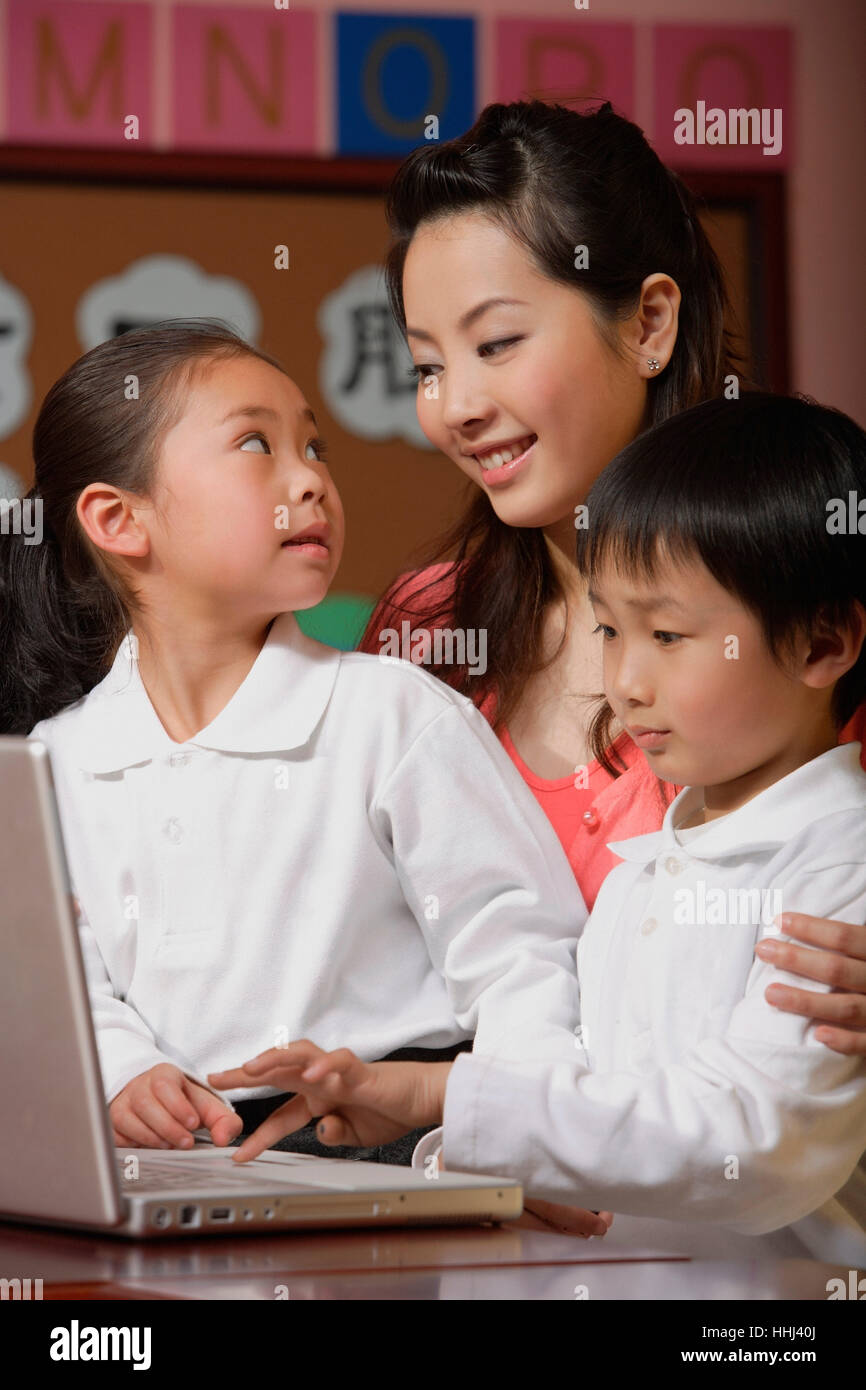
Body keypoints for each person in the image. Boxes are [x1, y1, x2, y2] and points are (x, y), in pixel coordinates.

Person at [218, 392, 866, 1264]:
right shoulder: (653, 865)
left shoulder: (839, 865)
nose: (625, 681)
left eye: (669, 634)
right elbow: (584, 1103)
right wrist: (455, 1142)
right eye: (609, 629)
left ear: (824, 645)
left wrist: (444, 1097)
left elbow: (747, 1146)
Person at [1, 319, 602, 1205]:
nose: (311, 478)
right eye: (256, 443)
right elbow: (64, 981)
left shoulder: (388, 713)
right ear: (118, 520)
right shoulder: (56, 759)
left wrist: (533, 1141)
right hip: (183, 1167)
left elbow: (520, 952)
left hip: (393, 1148)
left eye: (313, 445)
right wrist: (127, 1072)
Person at [355, 98, 866, 1055]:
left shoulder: (802, 604)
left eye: (497, 343)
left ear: (649, 322)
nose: (457, 405)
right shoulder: (427, 627)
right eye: (427, 366)